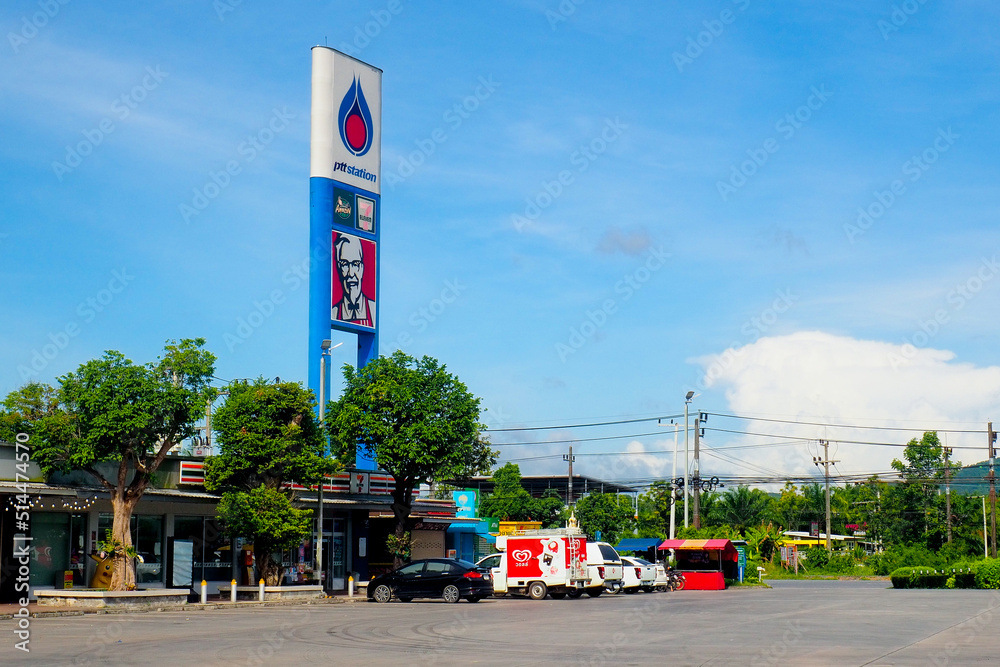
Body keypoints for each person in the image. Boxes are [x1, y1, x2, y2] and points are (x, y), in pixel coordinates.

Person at [333, 234, 375, 327]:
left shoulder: (373, 310)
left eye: (355, 264)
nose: (351, 273)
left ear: (362, 267)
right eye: (345, 264)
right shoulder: (333, 312)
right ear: (339, 267)